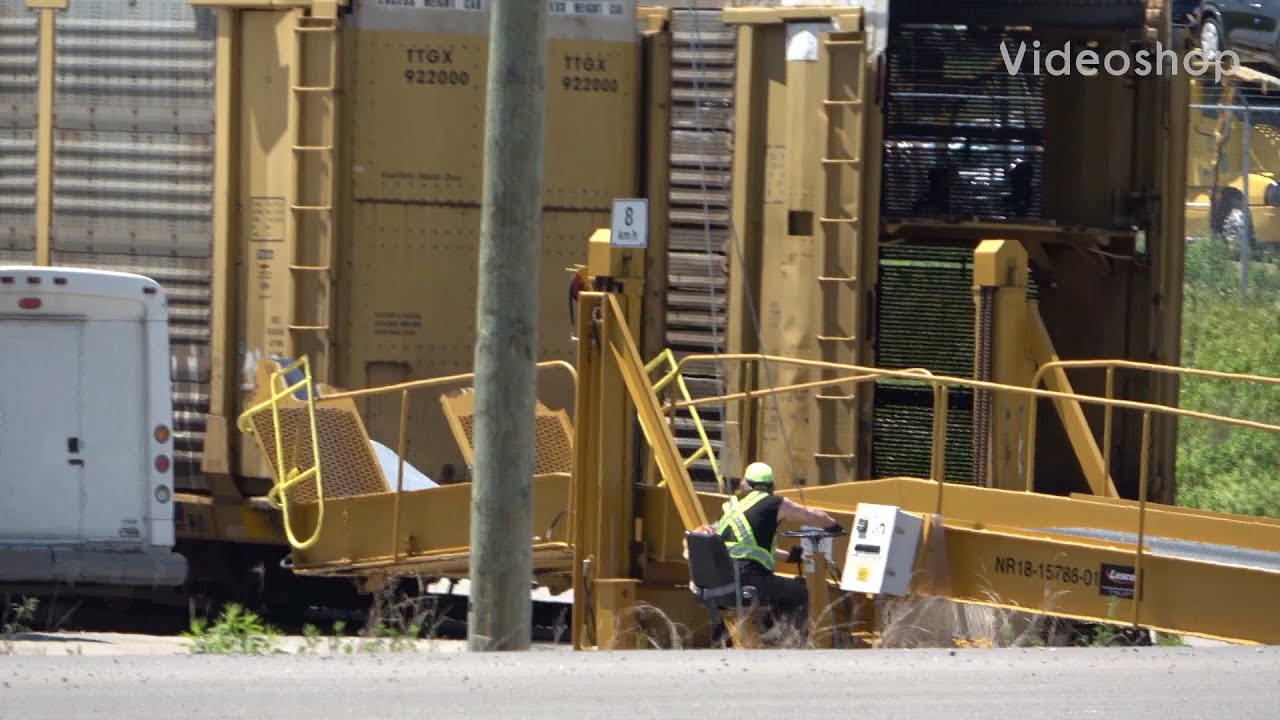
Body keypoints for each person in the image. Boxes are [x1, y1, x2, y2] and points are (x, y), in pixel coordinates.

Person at [699, 461, 842, 630]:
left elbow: (747, 547)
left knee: (777, 591)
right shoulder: (775, 503)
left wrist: (789, 557)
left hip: (722, 579)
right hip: (749, 577)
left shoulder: (731, 506)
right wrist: (834, 526)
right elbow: (815, 516)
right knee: (799, 593)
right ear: (772, 485)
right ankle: (783, 639)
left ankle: (762, 633)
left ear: (745, 483)